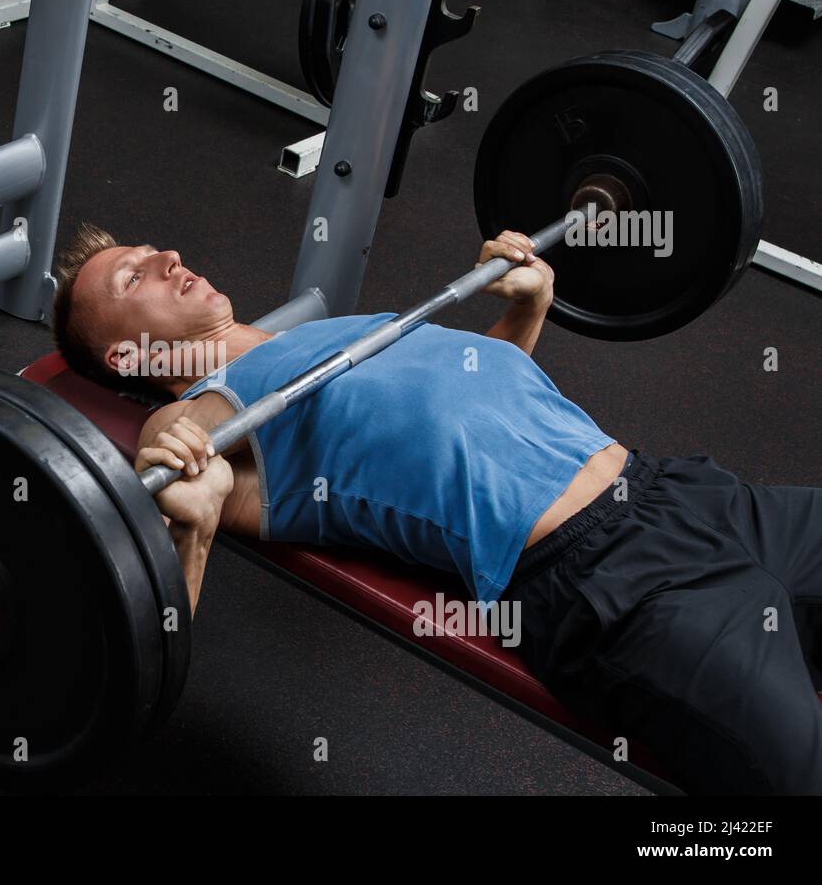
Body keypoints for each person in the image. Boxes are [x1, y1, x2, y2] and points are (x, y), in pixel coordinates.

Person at [49, 222, 822, 795]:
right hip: (613, 582)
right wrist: (194, 513)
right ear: (129, 357)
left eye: (155, 251)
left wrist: (529, 305)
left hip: (689, 496)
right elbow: (175, 460)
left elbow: (477, 412)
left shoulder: (334, 332)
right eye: (134, 279)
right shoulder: (211, 406)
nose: (169, 259)